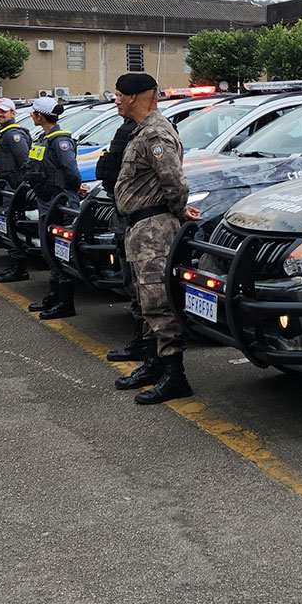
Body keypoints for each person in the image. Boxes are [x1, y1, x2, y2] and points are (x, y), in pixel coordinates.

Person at [109, 72, 193, 404]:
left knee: (158, 301)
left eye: (118, 94)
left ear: (134, 97)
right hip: (139, 228)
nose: (115, 100)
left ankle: (175, 375)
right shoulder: (140, 132)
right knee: (145, 301)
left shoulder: (156, 133)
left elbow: (176, 184)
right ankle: (155, 363)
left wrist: (174, 213)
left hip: (153, 229)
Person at [92, 111, 148, 361]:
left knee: (144, 286)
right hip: (122, 213)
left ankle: (148, 344)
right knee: (130, 282)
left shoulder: (149, 130)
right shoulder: (126, 130)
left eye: (120, 95)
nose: (116, 101)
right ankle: (143, 340)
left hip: (141, 220)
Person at [23, 98, 82, 319]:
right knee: (49, 249)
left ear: (40, 116)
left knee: (61, 251)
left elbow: (71, 171)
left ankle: (65, 302)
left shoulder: (60, 141)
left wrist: (72, 191)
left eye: (34, 114)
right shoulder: (44, 138)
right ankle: (54, 295)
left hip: (61, 201)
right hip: (46, 199)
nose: (32, 117)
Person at [0, 99, 34, 280]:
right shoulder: (2, 132)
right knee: (4, 225)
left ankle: (19, 268)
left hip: (12, 186)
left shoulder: (13, 135)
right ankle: (13, 264)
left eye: (3, 111)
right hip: (2, 186)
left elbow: (25, 161)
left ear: (13, 113)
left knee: (11, 224)